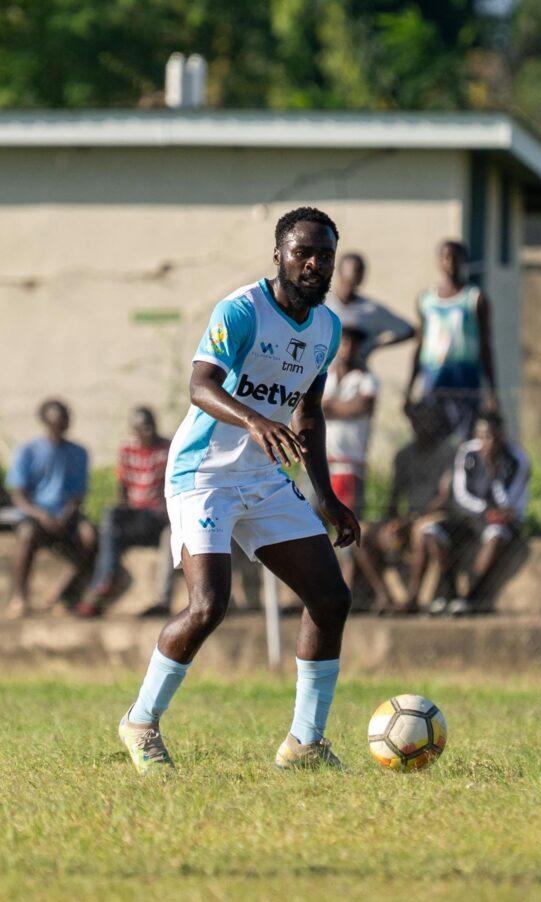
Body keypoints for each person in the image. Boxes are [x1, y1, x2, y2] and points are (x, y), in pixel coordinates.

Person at [117, 207, 361, 776]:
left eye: (325, 254)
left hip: (263, 475)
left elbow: (309, 414)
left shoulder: (327, 328)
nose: (314, 263)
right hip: (202, 473)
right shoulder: (243, 309)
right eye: (304, 252)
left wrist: (325, 497)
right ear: (278, 254)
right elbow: (200, 386)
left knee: (330, 598)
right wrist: (255, 422)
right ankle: (141, 721)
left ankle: (305, 743)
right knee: (209, 606)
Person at [422, 411, 529, 616]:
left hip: (502, 520)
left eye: (491, 436)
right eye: (481, 436)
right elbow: (461, 495)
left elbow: (508, 503)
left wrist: (492, 471)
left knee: (495, 535)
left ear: (502, 435)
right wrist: (484, 510)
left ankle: (471, 596)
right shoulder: (467, 453)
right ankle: (448, 592)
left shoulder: (517, 459)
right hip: (472, 515)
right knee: (432, 531)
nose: (486, 442)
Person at [358, 401, 456, 615]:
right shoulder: (403, 456)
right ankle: (384, 596)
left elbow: (445, 497)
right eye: (418, 421)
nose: (422, 426)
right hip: (408, 519)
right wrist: (390, 522)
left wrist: (412, 519)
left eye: (428, 420)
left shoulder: (449, 453)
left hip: (435, 517)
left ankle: (411, 598)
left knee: (422, 532)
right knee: (361, 535)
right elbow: (394, 496)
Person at [78, 407, 173, 618]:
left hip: (160, 516)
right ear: (134, 430)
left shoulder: (169, 449)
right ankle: (105, 581)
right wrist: (124, 510)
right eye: (142, 428)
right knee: (111, 516)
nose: (147, 432)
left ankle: (161, 601)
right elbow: (122, 488)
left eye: (150, 426)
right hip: (136, 513)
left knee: (169, 533)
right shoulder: (127, 449)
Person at [5, 399, 97, 618]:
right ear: (45, 421)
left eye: (64, 418)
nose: (61, 424)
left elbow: (78, 494)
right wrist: (40, 514)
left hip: (67, 516)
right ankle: (20, 596)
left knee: (90, 537)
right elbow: (18, 495)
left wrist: (67, 513)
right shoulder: (27, 451)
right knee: (26, 535)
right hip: (37, 515)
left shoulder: (79, 452)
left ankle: (64, 593)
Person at [406, 240, 498, 441]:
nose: (450, 262)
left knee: (465, 437)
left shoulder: (474, 298)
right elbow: (420, 344)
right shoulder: (426, 300)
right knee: (433, 438)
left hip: (465, 383)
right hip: (434, 382)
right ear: (438, 262)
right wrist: (410, 386)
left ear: (464, 261)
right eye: (445, 257)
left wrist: (492, 389)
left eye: (456, 257)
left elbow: (485, 345)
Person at [323, 328, 378, 520]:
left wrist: (329, 405)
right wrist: (345, 405)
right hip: (319, 463)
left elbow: (361, 406)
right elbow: (313, 405)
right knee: (309, 525)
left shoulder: (366, 378)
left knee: (347, 523)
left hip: (349, 465)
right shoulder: (324, 375)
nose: (349, 349)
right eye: (345, 343)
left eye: (354, 344)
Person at [325, 252, 415, 367]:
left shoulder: (371, 310)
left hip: (356, 376)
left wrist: (375, 346)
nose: (358, 274)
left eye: (361, 271)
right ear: (339, 271)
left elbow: (408, 331)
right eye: (355, 269)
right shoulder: (322, 304)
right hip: (325, 376)